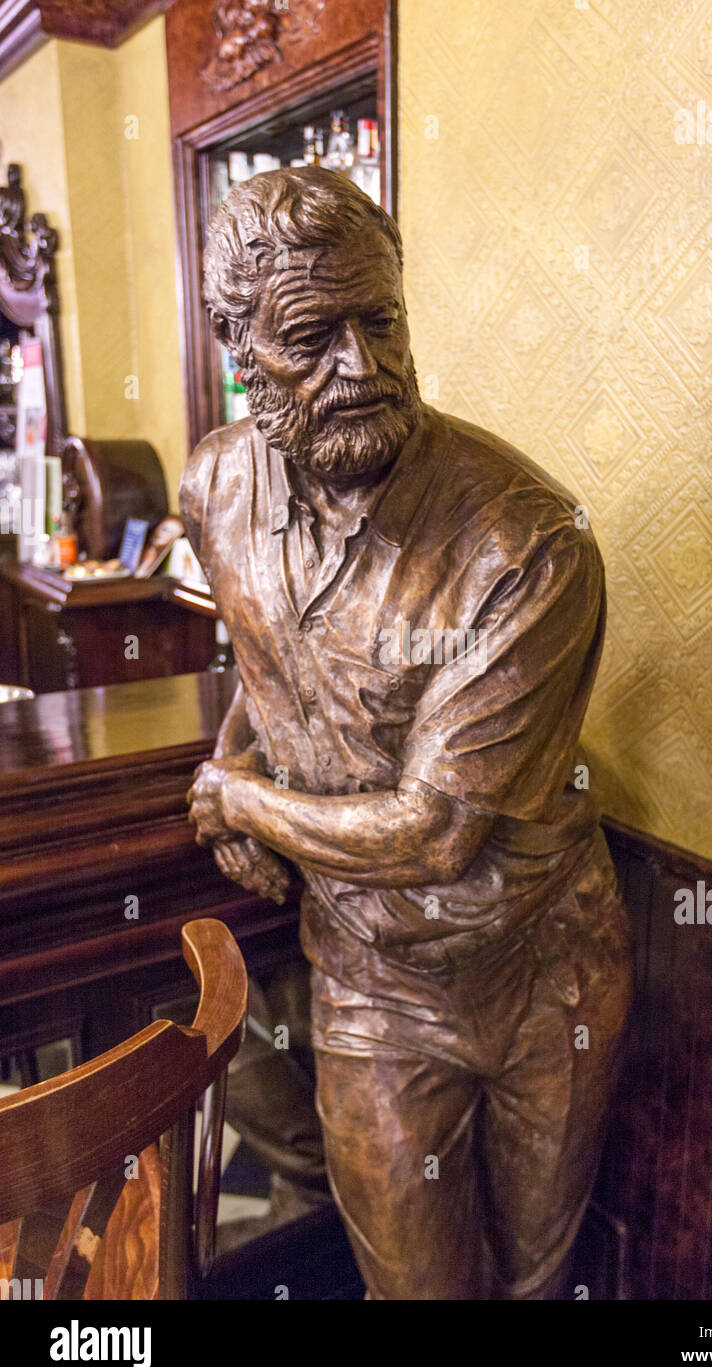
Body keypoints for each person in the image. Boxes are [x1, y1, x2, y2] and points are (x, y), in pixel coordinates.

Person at [181, 166, 633, 1300]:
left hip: (544, 969)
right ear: (240, 348)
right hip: (372, 982)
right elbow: (265, 650)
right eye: (311, 336)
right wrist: (243, 751)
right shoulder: (211, 494)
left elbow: (432, 834)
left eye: (380, 320)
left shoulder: (526, 546)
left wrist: (238, 802)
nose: (364, 366)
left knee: (535, 1281)